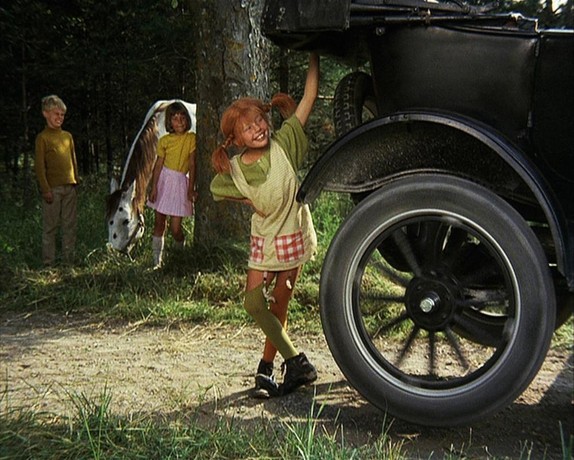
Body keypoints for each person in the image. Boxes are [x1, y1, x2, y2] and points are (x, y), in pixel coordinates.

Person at [210, 53, 320, 398]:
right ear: (236, 139)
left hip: (291, 233)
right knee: (254, 304)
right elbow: (216, 189)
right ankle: (297, 362)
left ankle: (266, 370)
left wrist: (313, 53)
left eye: (259, 120)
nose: (258, 128)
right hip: (263, 238)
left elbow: (309, 97)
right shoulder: (235, 169)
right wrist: (248, 201)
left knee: (278, 307)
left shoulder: (284, 144)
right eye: (248, 127)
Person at [147, 102, 197, 268]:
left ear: (187, 119)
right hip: (164, 182)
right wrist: (154, 187)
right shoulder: (164, 141)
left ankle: (179, 255)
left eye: (182, 117)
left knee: (176, 228)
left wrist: (191, 188)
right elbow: (158, 165)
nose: (179, 121)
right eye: (175, 118)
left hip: (180, 183)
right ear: (169, 122)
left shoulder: (191, 138)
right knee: (159, 223)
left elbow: (192, 164)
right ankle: (156, 262)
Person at [35, 95, 79, 266]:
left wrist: (76, 180)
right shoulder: (43, 138)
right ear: (45, 114)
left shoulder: (67, 136)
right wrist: (45, 189)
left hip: (70, 187)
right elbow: (39, 166)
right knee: (50, 227)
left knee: (70, 225)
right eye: (56, 114)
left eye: (62, 115)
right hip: (53, 190)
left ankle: (69, 262)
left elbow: (73, 159)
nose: (60, 118)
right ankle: (49, 264)